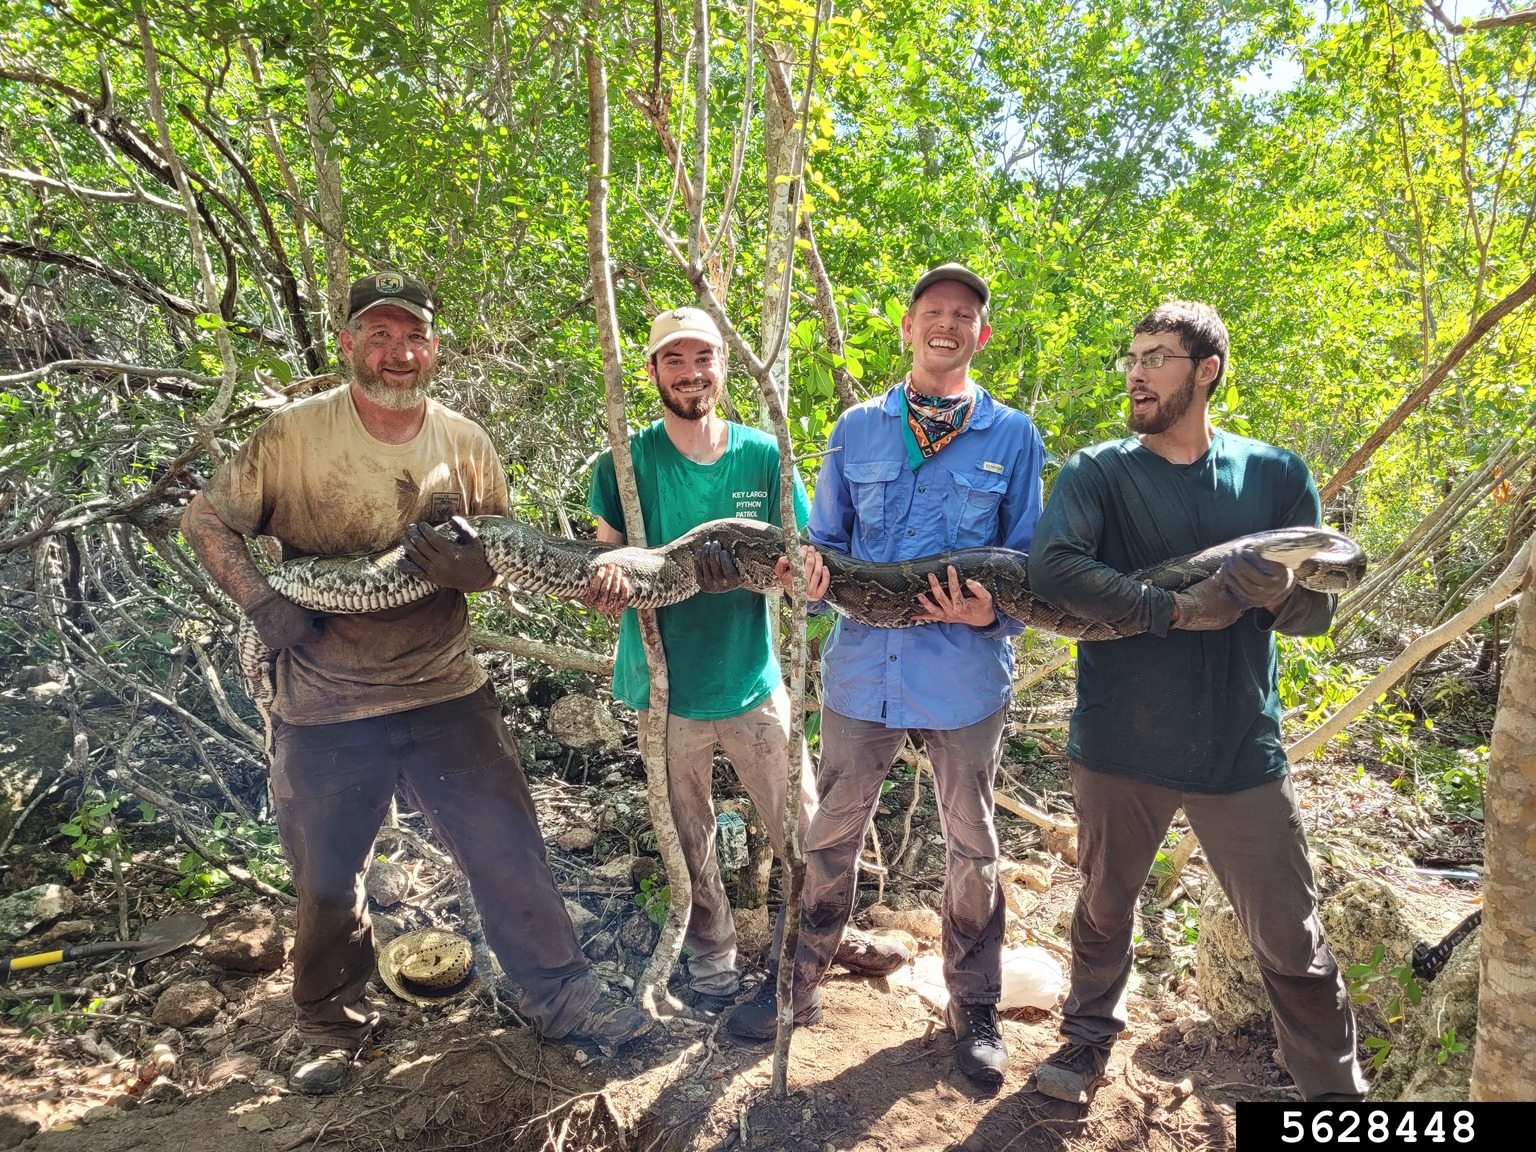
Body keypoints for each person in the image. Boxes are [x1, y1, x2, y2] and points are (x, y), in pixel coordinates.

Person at [181, 271, 650, 1095]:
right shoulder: (291, 436)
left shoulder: (463, 440)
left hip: (444, 690)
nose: (398, 353)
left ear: (434, 347)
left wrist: (478, 575)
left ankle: (561, 997)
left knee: (508, 853)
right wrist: (261, 603)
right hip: (323, 700)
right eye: (379, 334)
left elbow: (502, 552)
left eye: (414, 337)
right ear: (349, 343)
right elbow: (205, 518)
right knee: (328, 881)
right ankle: (330, 1024)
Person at [1026, 301, 1368, 1105]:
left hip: (1238, 746)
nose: (1136, 372)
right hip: (1119, 740)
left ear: (1206, 370)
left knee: (1291, 935)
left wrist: (1280, 592)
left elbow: (1321, 611)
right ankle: (1084, 1045)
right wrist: (1176, 610)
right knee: (1105, 907)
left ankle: (1336, 1096)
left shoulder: (1275, 474)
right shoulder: (1097, 472)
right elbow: (1054, 571)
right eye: (1132, 357)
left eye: (1156, 357)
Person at [726, 265, 1047, 1088]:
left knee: (972, 845)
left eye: (965, 315)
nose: (948, 324)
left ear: (982, 334)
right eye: (933, 312)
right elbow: (822, 542)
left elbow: (1031, 569)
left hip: (965, 677)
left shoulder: (1013, 435)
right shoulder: (856, 429)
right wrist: (810, 573)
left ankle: (971, 1006)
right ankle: (797, 984)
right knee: (829, 832)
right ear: (908, 327)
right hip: (863, 670)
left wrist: (993, 616)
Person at [583, 306, 910, 1010]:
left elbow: (801, 561)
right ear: (652, 372)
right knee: (690, 841)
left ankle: (828, 939)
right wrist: (609, 584)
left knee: (806, 826)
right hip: (663, 689)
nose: (691, 372)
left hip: (752, 681)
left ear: (723, 367)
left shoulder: (761, 454)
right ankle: (712, 967)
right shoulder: (625, 461)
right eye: (674, 360)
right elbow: (605, 557)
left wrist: (784, 578)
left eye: (703, 358)